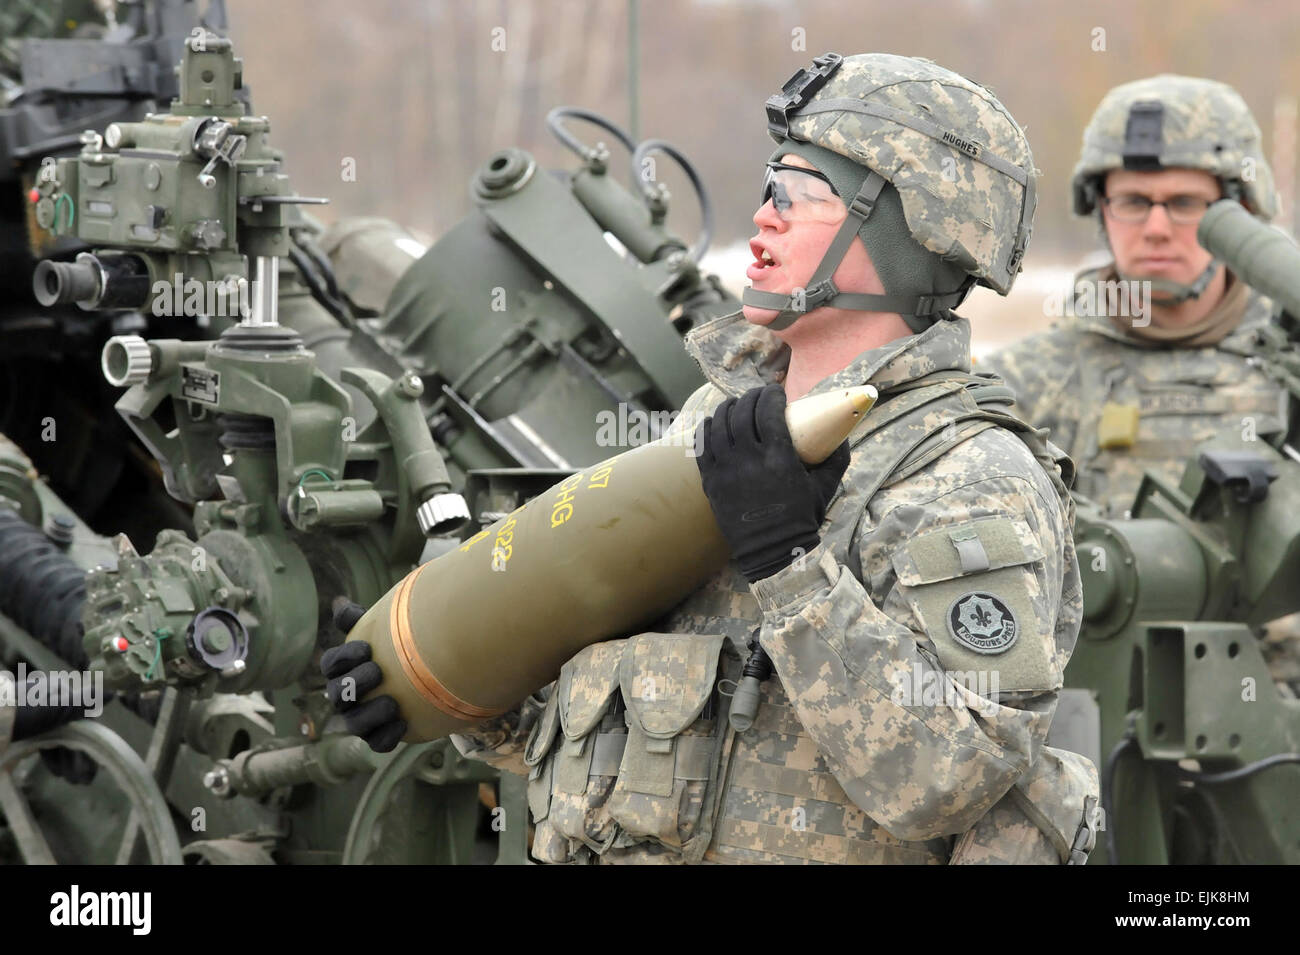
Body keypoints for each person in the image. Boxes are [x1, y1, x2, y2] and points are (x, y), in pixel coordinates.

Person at [324, 52, 1099, 865]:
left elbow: (946, 775)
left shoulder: (969, 477)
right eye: (769, 186)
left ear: (908, 231)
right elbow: (621, 733)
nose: (764, 217)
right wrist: (447, 691)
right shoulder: (713, 423)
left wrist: (790, 566)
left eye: (800, 194)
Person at [982, 75, 1285, 520]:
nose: (1157, 228)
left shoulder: (1287, 375)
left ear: (1240, 213)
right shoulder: (1019, 389)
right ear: (1100, 208)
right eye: (1133, 201)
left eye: (1185, 202)